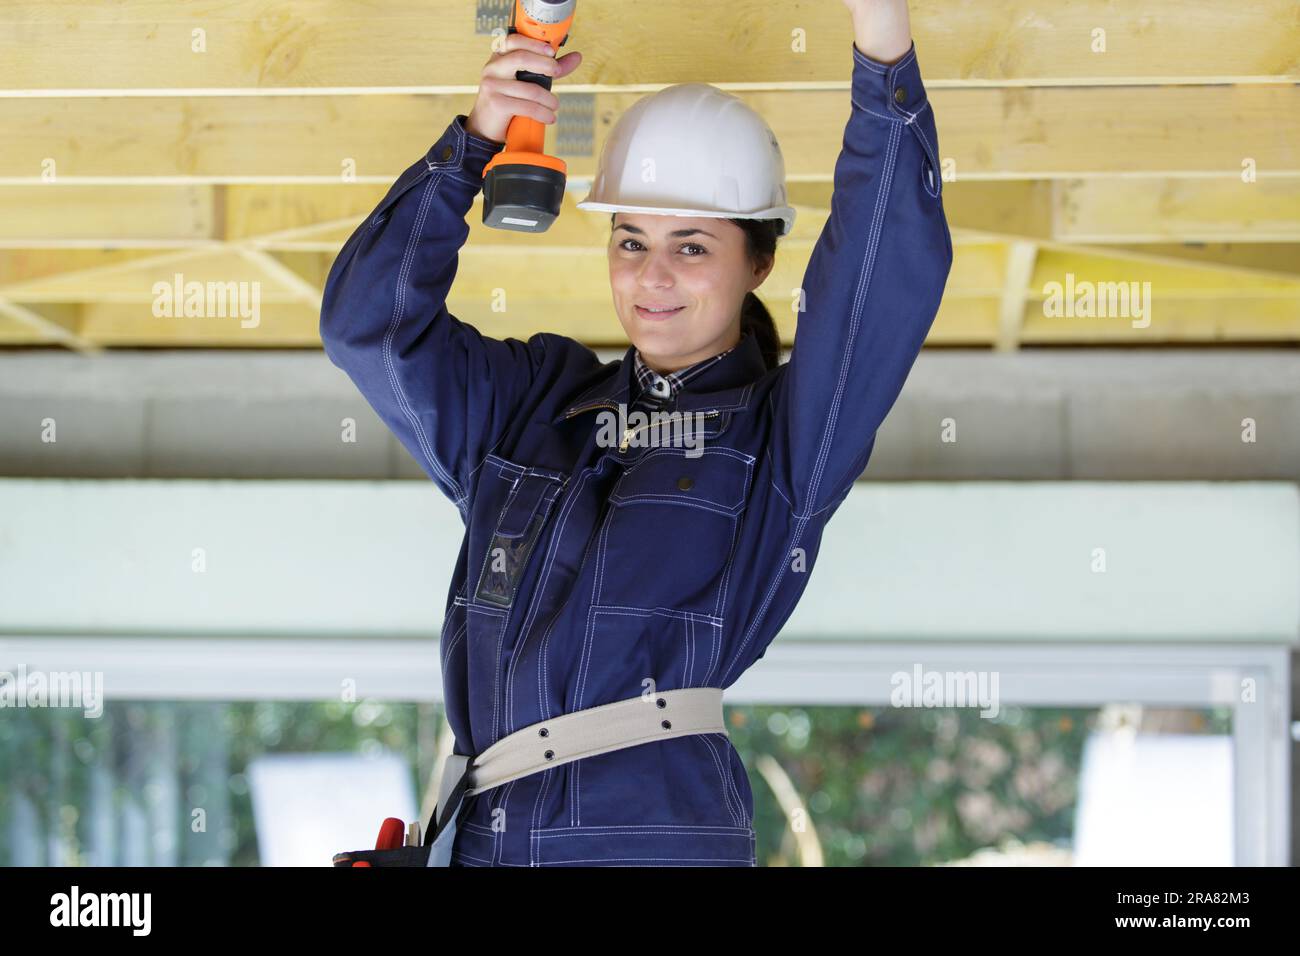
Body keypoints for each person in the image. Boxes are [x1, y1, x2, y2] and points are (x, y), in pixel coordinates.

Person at [319, 0, 951, 867]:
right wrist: (474, 143)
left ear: (758, 262)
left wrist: (882, 41)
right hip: (483, 833)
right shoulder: (534, 404)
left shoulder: (786, 443)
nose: (651, 276)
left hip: (648, 836)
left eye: (691, 247)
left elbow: (881, 277)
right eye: (629, 239)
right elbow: (368, 328)